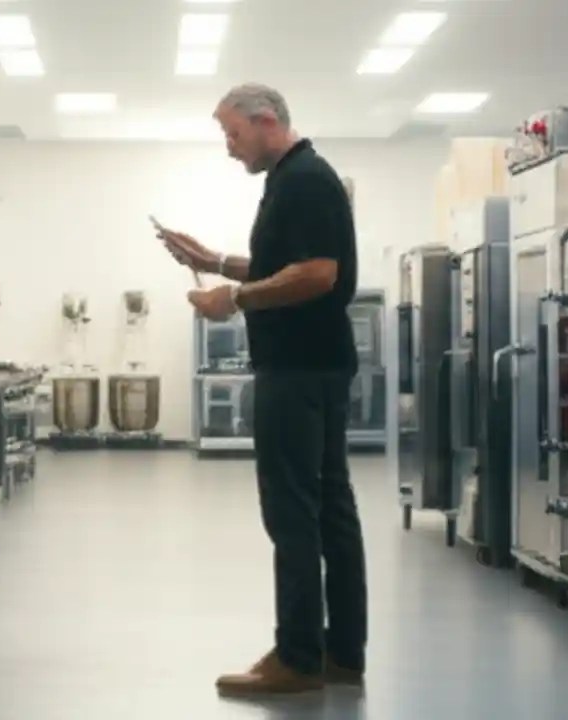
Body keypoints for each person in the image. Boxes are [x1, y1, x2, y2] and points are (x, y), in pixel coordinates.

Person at [158, 83, 368, 696]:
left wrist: (235, 299)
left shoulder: (303, 180)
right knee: (331, 511)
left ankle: (298, 657)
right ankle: (342, 652)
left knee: (293, 512)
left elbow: (316, 275)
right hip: (318, 366)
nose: (229, 148)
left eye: (233, 134)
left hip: (298, 372)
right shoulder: (296, 178)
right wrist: (214, 259)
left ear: (267, 120)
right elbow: (289, 262)